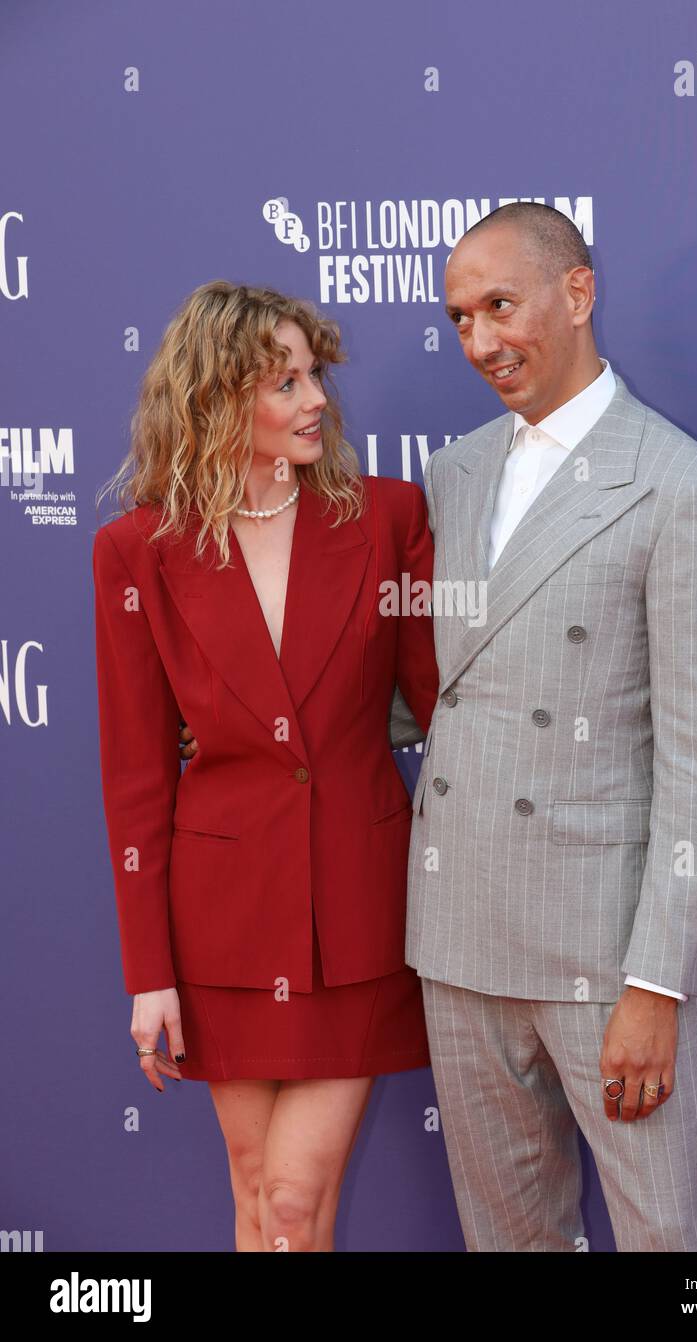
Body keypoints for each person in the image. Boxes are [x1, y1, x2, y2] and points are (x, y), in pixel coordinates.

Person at [405, 202, 697, 1251]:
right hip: (459, 940)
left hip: (604, 956)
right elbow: (442, 681)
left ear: (577, 292)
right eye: (460, 318)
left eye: (498, 307)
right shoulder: (453, 473)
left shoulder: (683, 489)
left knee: (668, 1241)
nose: (478, 343)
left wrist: (656, 984)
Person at [92, 280, 438, 1252]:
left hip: (358, 913)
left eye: (314, 372)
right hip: (221, 926)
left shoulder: (387, 519)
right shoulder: (139, 552)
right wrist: (148, 971)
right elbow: (135, 771)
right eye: (282, 382)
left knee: (290, 1198)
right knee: (257, 1192)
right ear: (214, 400)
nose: (315, 397)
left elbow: (444, 706)